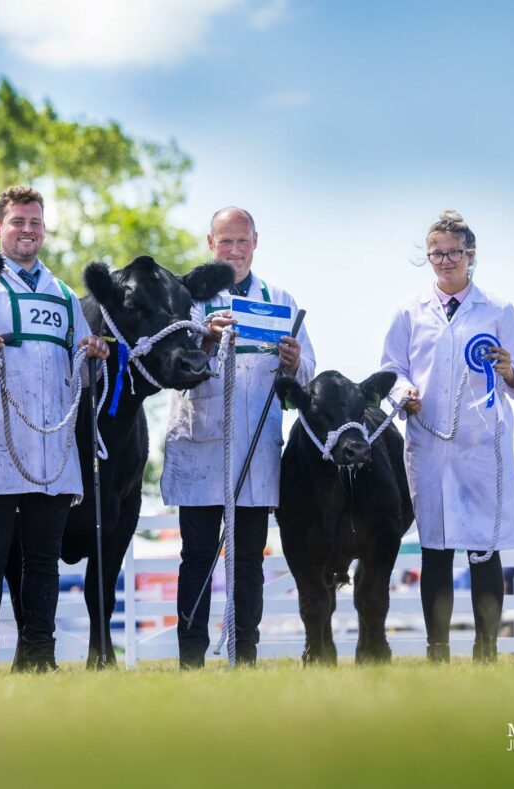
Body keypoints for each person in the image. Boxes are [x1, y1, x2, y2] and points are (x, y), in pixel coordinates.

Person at [0, 186, 109, 672]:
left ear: (44, 228)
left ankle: (40, 657)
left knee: (43, 558)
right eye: (18, 222)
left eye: (35, 222)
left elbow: (81, 374)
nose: (27, 230)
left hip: (51, 445)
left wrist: (95, 355)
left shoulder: (64, 295)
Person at [162, 206, 315, 667]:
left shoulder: (280, 299)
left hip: (256, 448)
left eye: (241, 241)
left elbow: (308, 376)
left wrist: (295, 363)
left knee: (249, 559)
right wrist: (206, 340)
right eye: (224, 241)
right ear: (210, 244)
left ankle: (244, 652)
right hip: (201, 447)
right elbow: (171, 366)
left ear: (255, 243)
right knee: (197, 556)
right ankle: (191, 657)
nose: (234, 250)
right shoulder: (188, 299)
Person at [380, 209, 514, 663]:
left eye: (454, 253)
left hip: (482, 446)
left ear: (471, 254)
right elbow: (392, 369)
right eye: (436, 254)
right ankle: (438, 653)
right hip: (428, 444)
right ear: (427, 257)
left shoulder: (498, 309)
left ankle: (487, 652)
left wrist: (508, 370)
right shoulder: (408, 311)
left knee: (483, 548)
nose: (445, 261)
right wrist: (403, 392)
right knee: (436, 549)